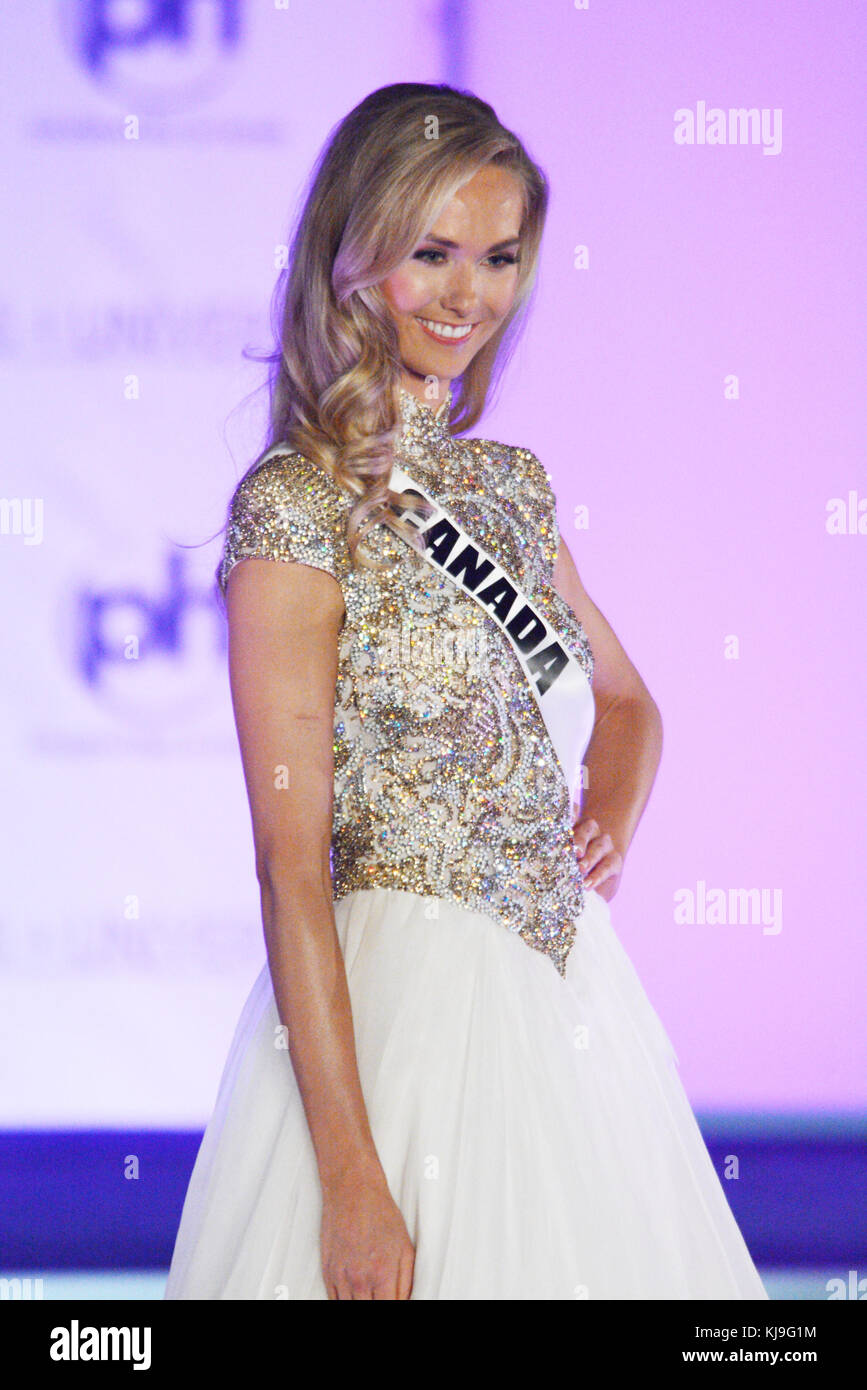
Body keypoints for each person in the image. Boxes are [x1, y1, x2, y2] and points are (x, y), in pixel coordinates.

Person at [164, 82, 769, 1301]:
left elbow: (632, 700)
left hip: (567, 1008)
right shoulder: (296, 507)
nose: (468, 295)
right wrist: (350, 1180)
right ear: (352, 250)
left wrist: (609, 813)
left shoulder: (510, 486)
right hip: (392, 1025)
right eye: (431, 252)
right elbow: (290, 868)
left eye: (498, 258)